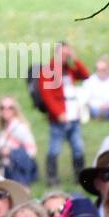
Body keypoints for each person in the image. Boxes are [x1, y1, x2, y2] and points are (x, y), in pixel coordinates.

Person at [38, 42, 89, 185]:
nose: (66, 57)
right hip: (59, 117)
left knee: (78, 147)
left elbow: (85, 75)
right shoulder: (49, 70)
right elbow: (47, 95)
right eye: (63, 54)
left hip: (74, 115)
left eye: (67, 54)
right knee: (55, 148)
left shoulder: (70, 69)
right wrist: (58, 113)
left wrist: (76, 59)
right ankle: (52, 177)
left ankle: (80, 177)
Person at [0, 97, 37, 185]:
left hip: (17, 171)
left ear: (15, 110)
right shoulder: (5, 127)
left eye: (10, 107)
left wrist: (11, 153)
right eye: (2, 107)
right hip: (6, 169)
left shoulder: (19, 128)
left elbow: (32, 150)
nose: (5, 110)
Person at [80, 56, 109, 120]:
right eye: (98, 69)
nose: (101, 72)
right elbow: (86, 99)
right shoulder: (90, 81)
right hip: (96, 108)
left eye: (104, 70)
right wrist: (100, 105)